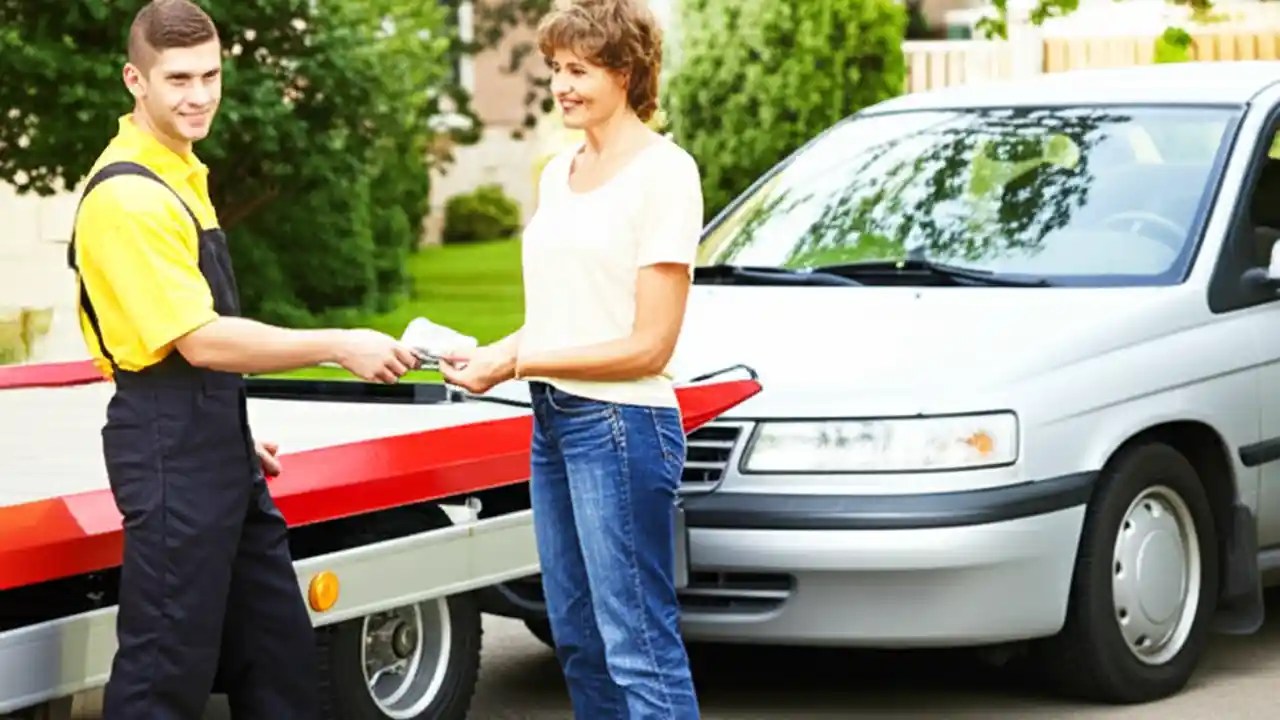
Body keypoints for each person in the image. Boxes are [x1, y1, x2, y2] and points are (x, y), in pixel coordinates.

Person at [67, 1, 420, 718]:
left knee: (276, 652)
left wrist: (224, 426)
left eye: (211, 75)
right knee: (165, 669)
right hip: (168, 446)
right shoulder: (131, 195)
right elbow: (200, 339)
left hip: (208, 440)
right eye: (178, 80)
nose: (199, 96)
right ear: (135, 80)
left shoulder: (177, 170)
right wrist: (338, 343)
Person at [439, 0, 704, 717]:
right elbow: (561, 317)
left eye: (579, 69)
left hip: (622, 427)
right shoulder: (559, 172)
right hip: (554, 422)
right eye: (555, 67)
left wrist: (520, 365)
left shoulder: (665, 173)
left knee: (636, 643)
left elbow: (651, 344)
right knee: (579, 638)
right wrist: (488, 354)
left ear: (626, 71)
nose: (561, 83)